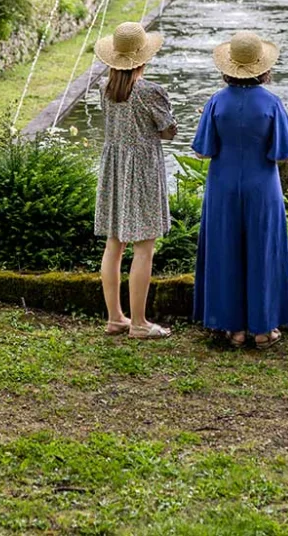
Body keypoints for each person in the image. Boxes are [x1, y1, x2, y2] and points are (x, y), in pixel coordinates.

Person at [192, 30, 288, 349]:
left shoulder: (216, 102)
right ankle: (263, 329)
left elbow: (202, 151)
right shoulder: (271, 102)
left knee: (224, 249)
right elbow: (284, 152)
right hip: (261, 185)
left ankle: (232, 329)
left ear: (228, 67)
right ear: (263, 67)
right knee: (263, 250)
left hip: (222, 185)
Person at [94, 21, 178, 340]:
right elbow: (168, 130)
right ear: (143, 58)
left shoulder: (105, 88)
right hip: (141, 169)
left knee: (114, 243)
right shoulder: (150, 91)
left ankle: (116, 317)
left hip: (114, 169)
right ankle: (140, 323)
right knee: (145, 246)